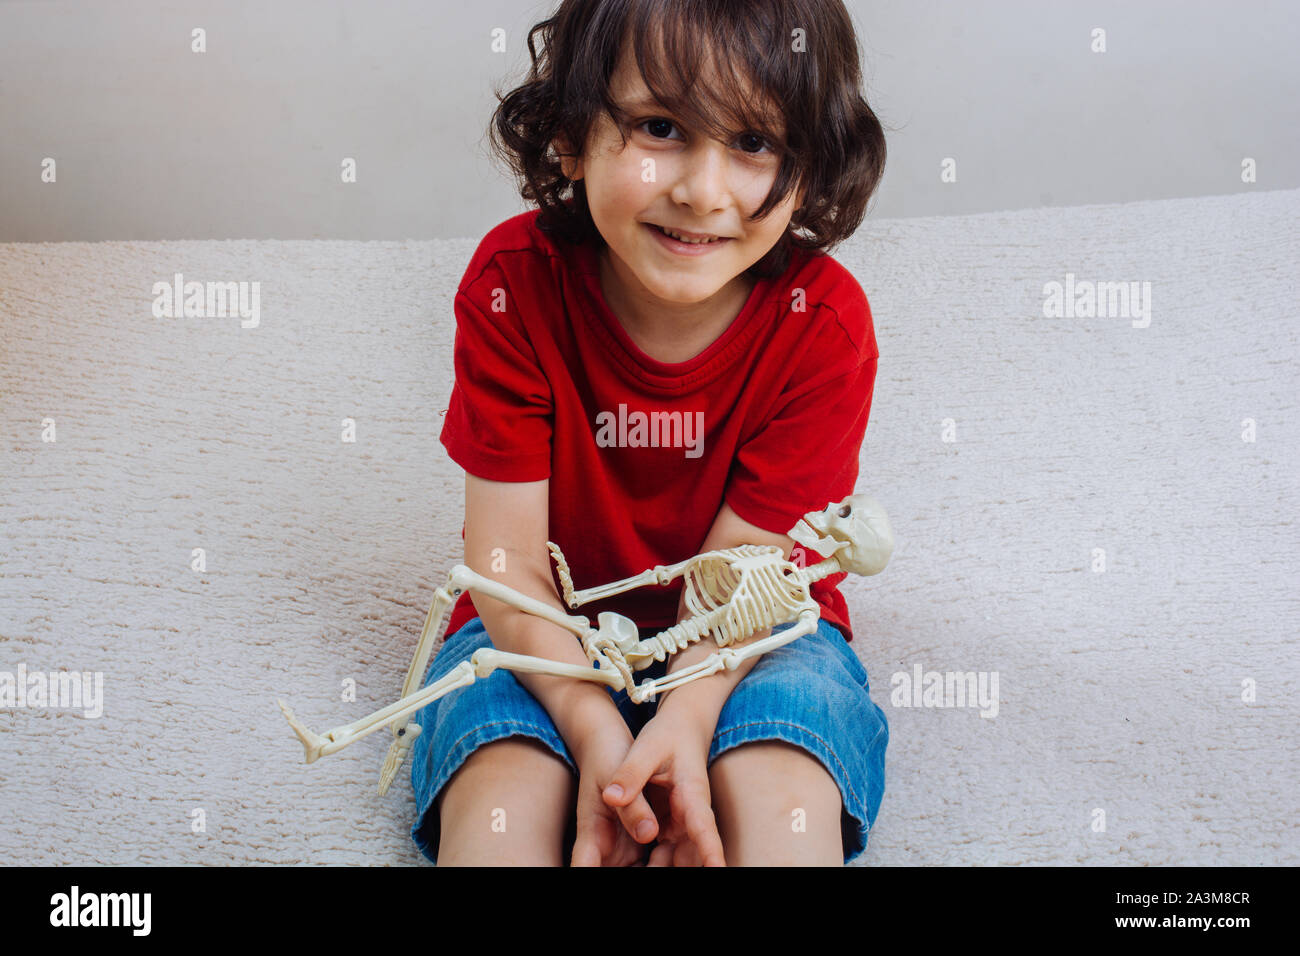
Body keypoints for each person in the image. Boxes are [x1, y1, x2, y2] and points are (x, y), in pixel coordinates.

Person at [412, 0, 889, 866]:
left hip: (754, 639)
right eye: (660, 126)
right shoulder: (510, 286)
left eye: (754, 143)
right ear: (569, 134)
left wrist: (688, 714)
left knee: (785, 770)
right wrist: (596, 729)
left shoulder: (823, 326)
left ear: (811, 165)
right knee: (498, 784)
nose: (703, 192)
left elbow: (742, 587)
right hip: (542, 623)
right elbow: (505, 567)